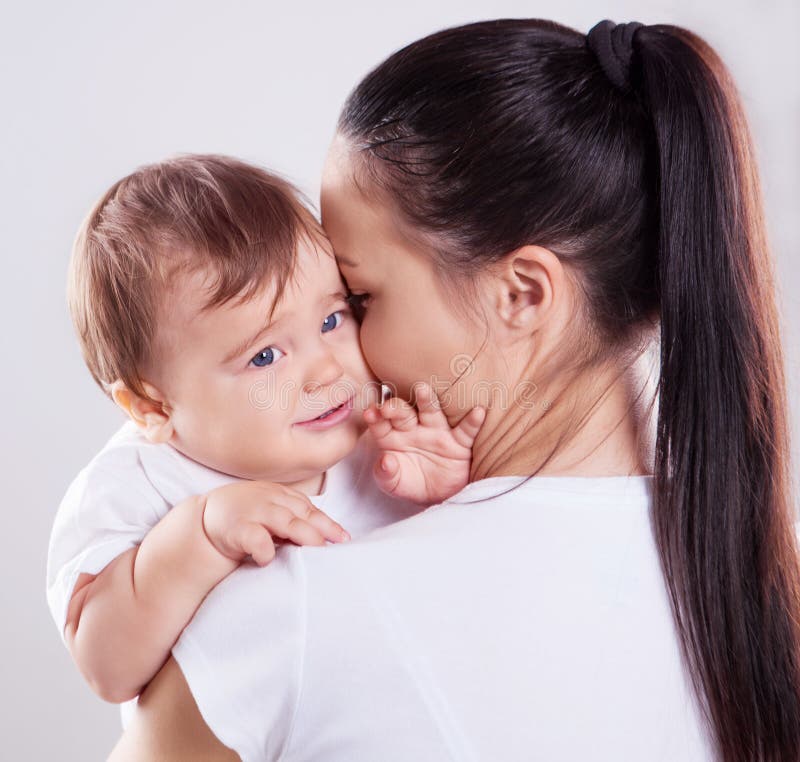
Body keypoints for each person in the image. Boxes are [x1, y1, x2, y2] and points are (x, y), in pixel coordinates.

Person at [109, 19, 800, 762]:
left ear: (522, 294)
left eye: (356, 304)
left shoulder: (289, 619)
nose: (343, 364)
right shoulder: (762, 593)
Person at [46, 154, 483, 715]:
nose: (327, 370)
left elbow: (463, 585)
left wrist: (448, 493)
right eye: (265, 355)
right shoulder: (137, 485)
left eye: (332, 319)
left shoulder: (378, 431)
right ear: (152, 406)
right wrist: (198, 537)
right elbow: (106, 667)